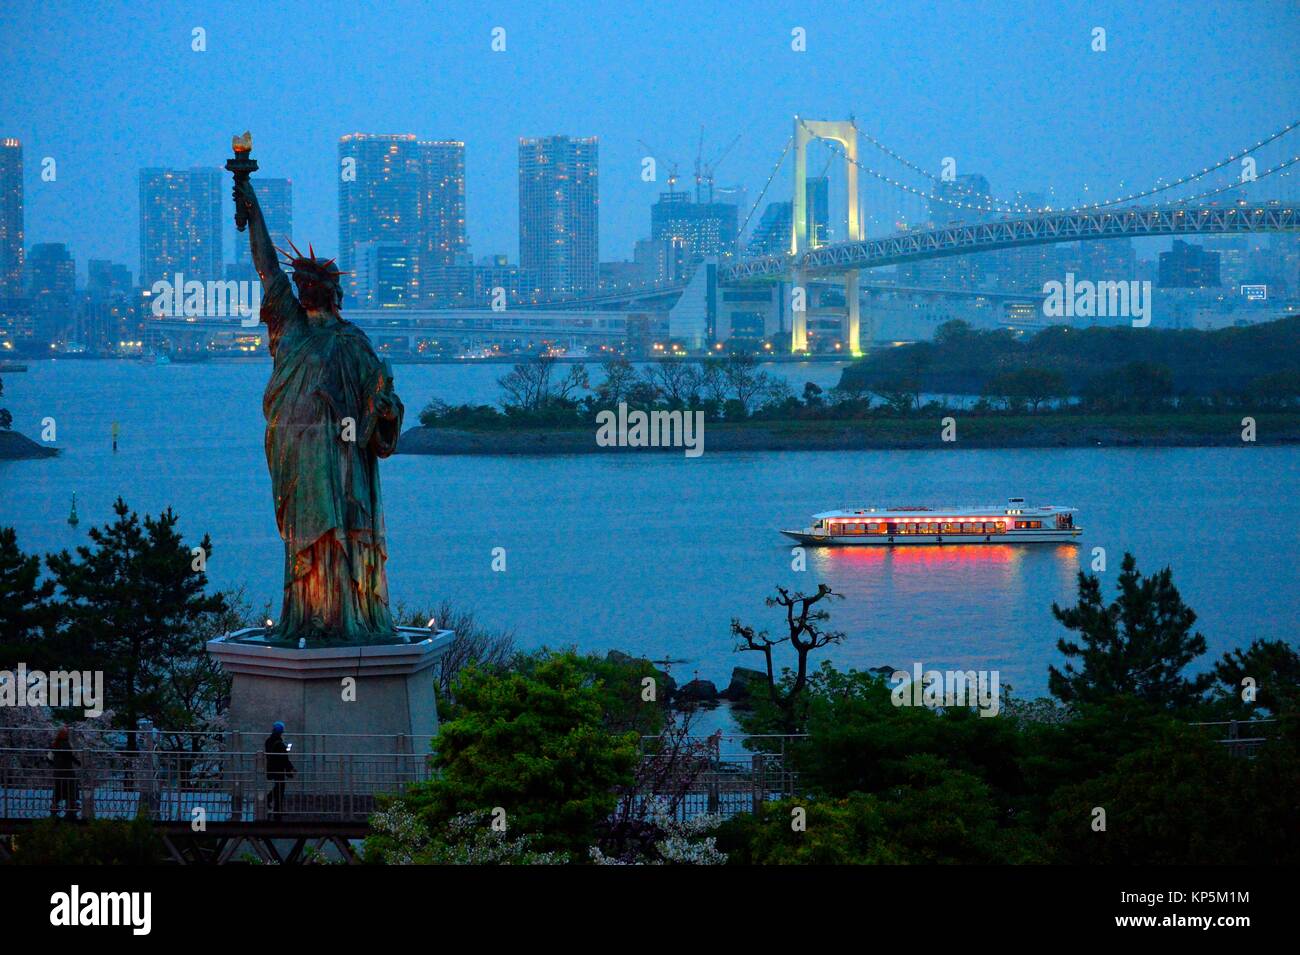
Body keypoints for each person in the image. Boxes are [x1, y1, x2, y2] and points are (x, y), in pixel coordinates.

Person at [264, 721, 295, 819]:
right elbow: (284, 756)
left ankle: (272, 804)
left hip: (272, 767)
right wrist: (290, 769)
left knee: (278, 787)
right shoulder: (279, 743)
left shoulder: (269, 741)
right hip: (279, 768)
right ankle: (276, 808)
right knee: (280, 788)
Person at [48, 727, 80, 819]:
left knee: (57, 791)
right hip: (68, 772)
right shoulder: (67, 744)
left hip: (58, 773)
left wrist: (56, 764)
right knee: (71, 790)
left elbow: (49, 759)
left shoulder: (54, 744)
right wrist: (78, 763)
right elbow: (70, 756)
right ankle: (71, 809)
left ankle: (54, 809)